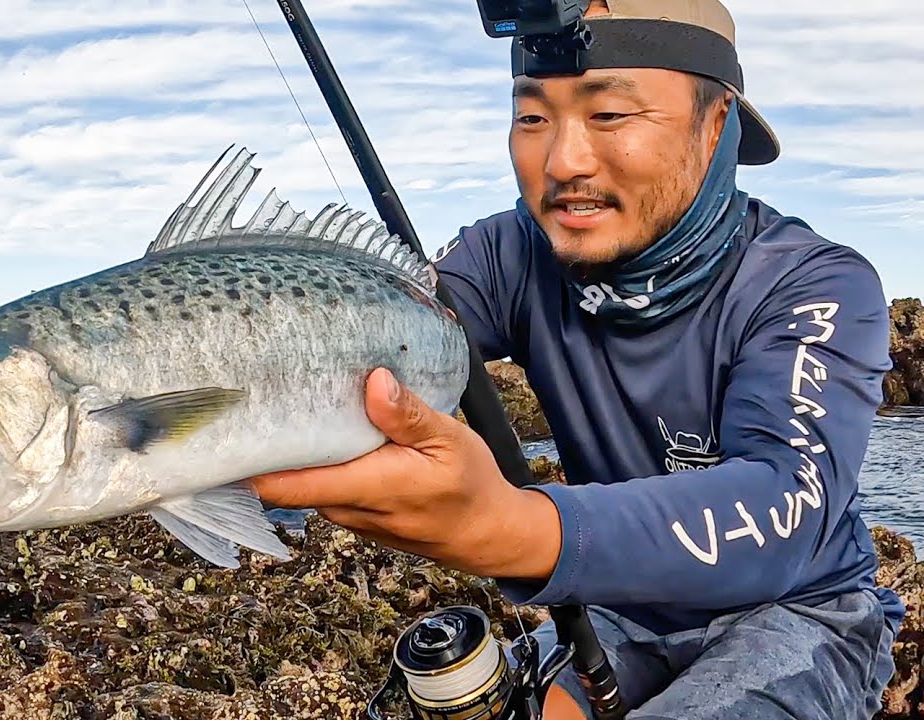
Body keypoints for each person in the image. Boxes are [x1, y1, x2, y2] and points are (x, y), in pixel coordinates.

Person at [248, 1, 905, 718]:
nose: (563, 162)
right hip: (617, 610)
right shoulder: (509, 255)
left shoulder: (814, 283)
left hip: (801, 613)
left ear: (717, 125)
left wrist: (507, 528)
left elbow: (784, 505)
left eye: (610, 115)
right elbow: (364, 337)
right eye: (533, 118)